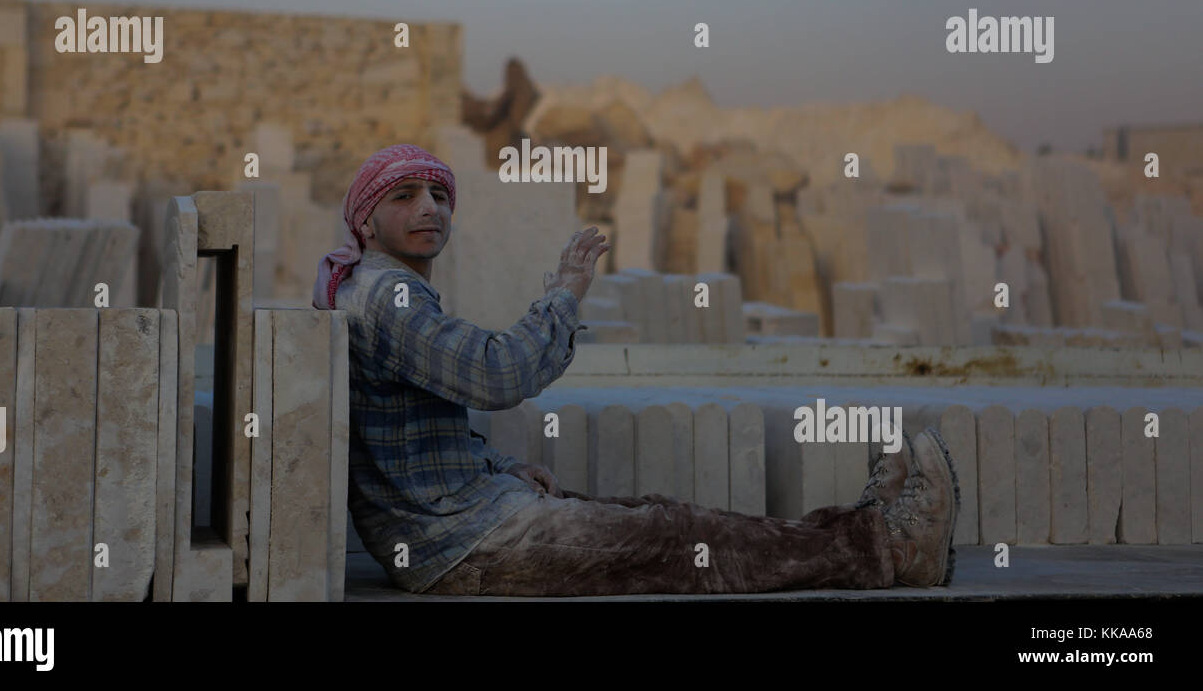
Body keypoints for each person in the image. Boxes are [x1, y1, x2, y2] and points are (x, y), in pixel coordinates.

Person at [314, 143, 959, 597]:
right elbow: (495, 374)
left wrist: (498, 469)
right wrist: (564, 293)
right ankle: (894, 551)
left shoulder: (380, 289)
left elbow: (410, 429)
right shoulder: (389, 296)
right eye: (405, 196)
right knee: (679, 540)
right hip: (458, 546)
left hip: (460, 524)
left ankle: (866, 533)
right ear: (366, 221)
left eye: (437, 194)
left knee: (665, 521)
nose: (429, 207)